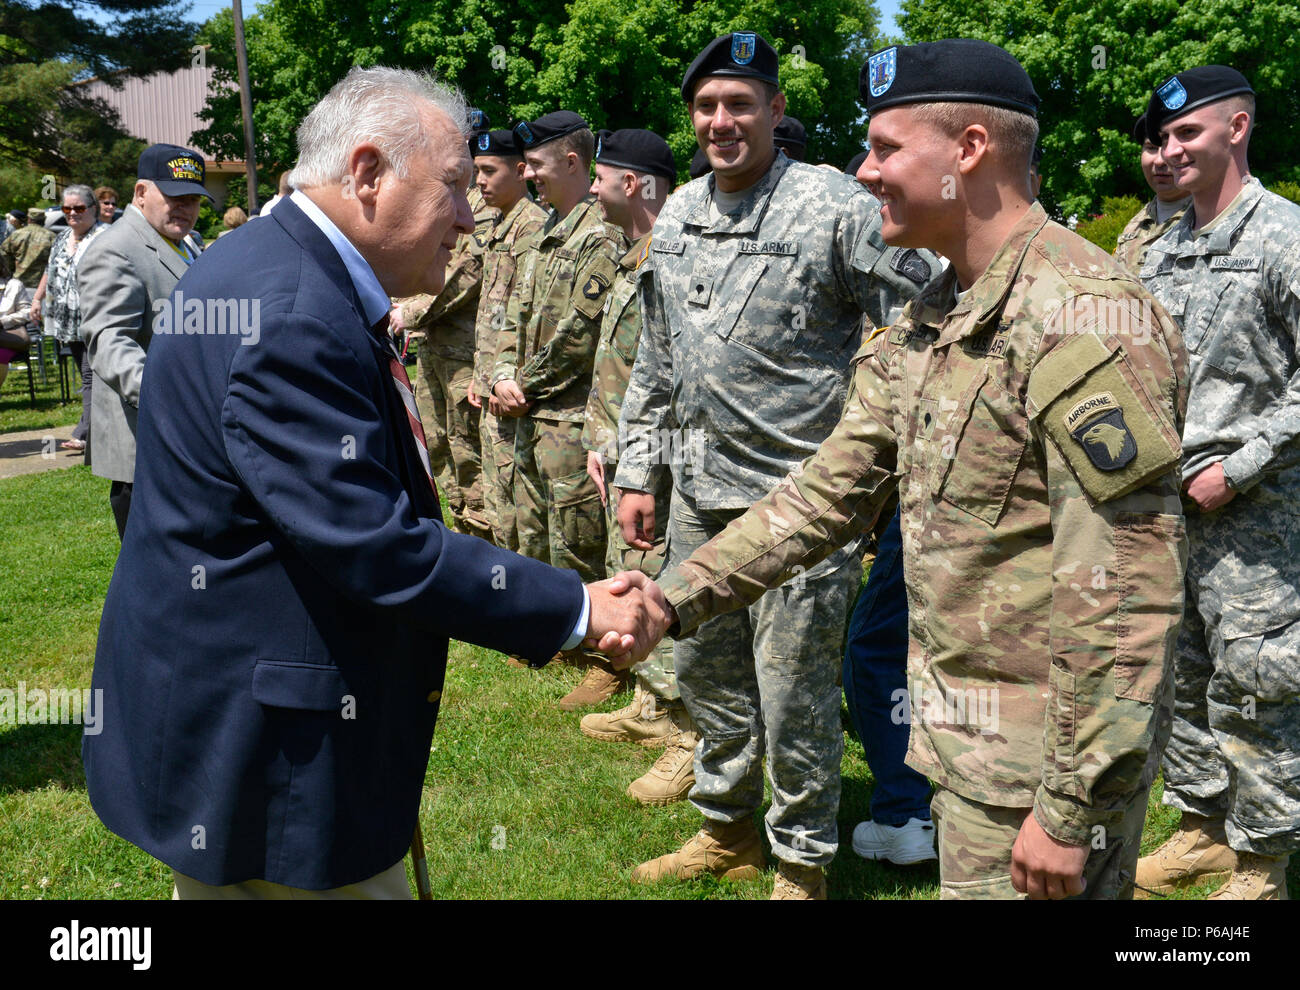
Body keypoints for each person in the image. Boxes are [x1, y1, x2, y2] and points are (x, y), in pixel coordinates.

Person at [623, 38, 1190, 901]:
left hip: (1042, 772)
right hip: (962, 744)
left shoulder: (1083, 317)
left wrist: (1071, 808)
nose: (863, 171)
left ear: (968, 151)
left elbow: (1127, 591)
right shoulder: (935, 313)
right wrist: (674, 597)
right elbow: (828, 493)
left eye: (886, 148)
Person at [81, 66, 664, 900]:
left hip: (240, 716)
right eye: (454, 188)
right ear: (366, 174)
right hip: (270, 751)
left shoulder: (277, 267)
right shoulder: (289, 311)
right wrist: (579, 608)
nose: (468, 217)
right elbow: (374, 545)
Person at [614, 31, 934, 899]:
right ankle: (727, 830)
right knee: (707, 674)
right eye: (707, 107)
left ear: (775, 111)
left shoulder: (832, 205)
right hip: (696, 500)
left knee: (794, 697)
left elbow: (927, 306)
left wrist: (881, 449)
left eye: (740, 104)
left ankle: (801, 860)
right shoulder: (678, 211)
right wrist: (642, 470)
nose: (722, 122)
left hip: (801, 507)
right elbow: (658, 355)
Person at [1135, 66, 1300, 900]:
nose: (1170, 149)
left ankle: (1265, 859)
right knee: (1184, 674)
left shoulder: (1283, 237)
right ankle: (1200, 826)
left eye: (1187, 132)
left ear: (1237, 128)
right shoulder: (1166, 249)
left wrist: (1240, 469)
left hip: (1261, 521)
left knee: (1259, 682)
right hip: (1171, 513)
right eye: (1163, 138)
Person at [576, 128, 697, 799]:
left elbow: (672, 372)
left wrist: (640, 461)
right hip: (629, 455)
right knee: (637, 571)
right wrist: (607, 446)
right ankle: (654, 707)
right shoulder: (633, 255)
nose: (592, 188)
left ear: (633, 183)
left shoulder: (674, 253)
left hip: (669, 458)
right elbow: (625, 365)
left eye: (601, 176)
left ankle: (687, 733)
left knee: (669, 583)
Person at [492, 110, 624, 708]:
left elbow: (581, 333)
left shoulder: (600, 234)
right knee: (538, 524)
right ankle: (558, 631)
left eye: (537, 165)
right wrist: (501, 377)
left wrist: (526, 383)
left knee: (578, 532)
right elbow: (516, 315)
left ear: (572, 161)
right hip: (528, 407)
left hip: (567, 411)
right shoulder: (548, 230)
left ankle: (606, 652)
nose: (529, 174)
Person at [77, 144, 211, 539]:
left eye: (193, 199)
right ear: (140, 192)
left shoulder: (185, 243)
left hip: (186, 438)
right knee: (156, 580)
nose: (184, 208)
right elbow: (109, 341)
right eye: (173, 196)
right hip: (148, 442)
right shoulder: (115, 249)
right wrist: (169, 395)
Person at [392, 168, 499, 541]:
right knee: (439, 449)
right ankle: (460, 535)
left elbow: (463, 278)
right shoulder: (450, 201)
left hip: (465, 356)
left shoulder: (482, 211)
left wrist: (406, 313)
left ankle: (485, 548)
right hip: (436, 348)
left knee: (468, 451)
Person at [467, 129, 547, 553]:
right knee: (496, 496)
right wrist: (480, 373)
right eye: (477, 171)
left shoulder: (531, 227)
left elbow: (528, 316)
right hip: (490, 382)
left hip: (510, 391)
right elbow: (491, 310)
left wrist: (503, 376)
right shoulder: (501, 224)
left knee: (516, 505)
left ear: (521, 171)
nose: (480, 181)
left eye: (488, 171)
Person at [29, 184, 109, 452]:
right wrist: (37, 299)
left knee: (90, 375)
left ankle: (85, 434)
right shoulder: (62, 237)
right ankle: (89, 429)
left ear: (93, 209)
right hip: (67, 320)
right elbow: (49, 271)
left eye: (79, 208)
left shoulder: (105, 236)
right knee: (88, 376)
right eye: (67, 208)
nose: (72, 213)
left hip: (95, 317)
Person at [1112, 115, 1190, 274]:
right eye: (1151, 148)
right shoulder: (1136, 223)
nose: (1160, 161)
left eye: (1170, 147)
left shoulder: (1209, 219)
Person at [0, 206, 56, 298]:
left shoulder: (16, 234)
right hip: (41, 286)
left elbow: (3, 254)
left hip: (18, 283)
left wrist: (11, 269)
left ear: (29, 219)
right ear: (44, 220)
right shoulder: (51, 237)